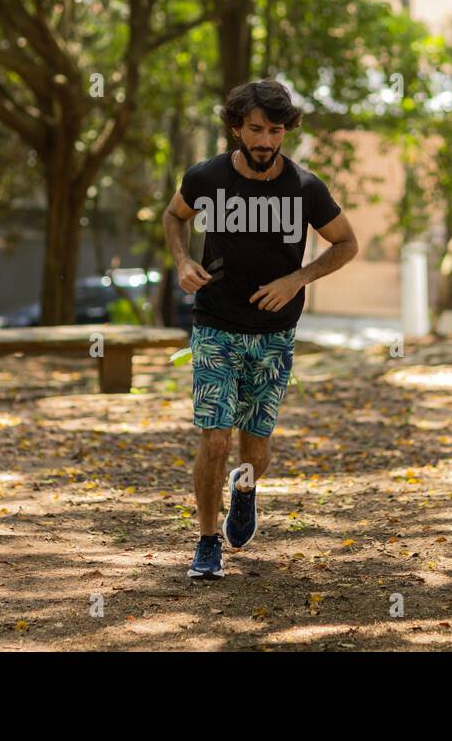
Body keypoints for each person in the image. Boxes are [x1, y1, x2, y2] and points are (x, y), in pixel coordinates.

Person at [162, 79, 358, 579]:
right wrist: (183, 259)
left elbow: (346, 244)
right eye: (255, 129)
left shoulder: (306, 188)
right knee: (214, 439)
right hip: (216, 325)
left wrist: (298, 279)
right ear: (235, 128)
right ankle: (207, 542)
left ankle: (245, 489)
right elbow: (173, 216)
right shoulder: (206, 177)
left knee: (255, 447)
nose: (265, 141)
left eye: (275, 130)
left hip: (274, 333)